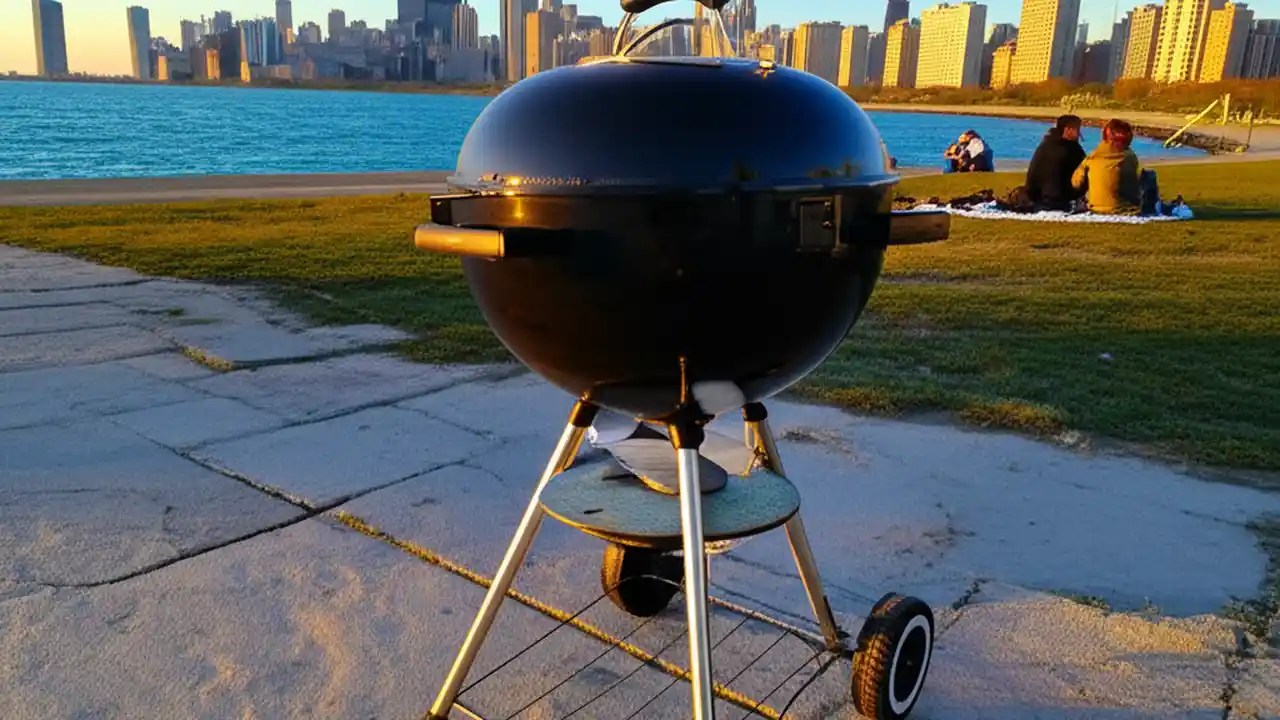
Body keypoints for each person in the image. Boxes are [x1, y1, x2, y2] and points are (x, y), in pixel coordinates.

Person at [1072, 119, 1143, 215]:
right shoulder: (1129, 157)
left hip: (1094, 206)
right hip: (1121, 207)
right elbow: (1131, 187)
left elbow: (1076, 183)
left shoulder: (1092, 156)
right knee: (1149, 177)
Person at [1025, 115, 1087, 211]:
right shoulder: (1073, 150)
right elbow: (1085, 175)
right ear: (1068, 129)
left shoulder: (1044, 146)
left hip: (1038, 200)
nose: (1079, 134)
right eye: (1077, 130)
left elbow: (1031, 178)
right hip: (1062, 201)